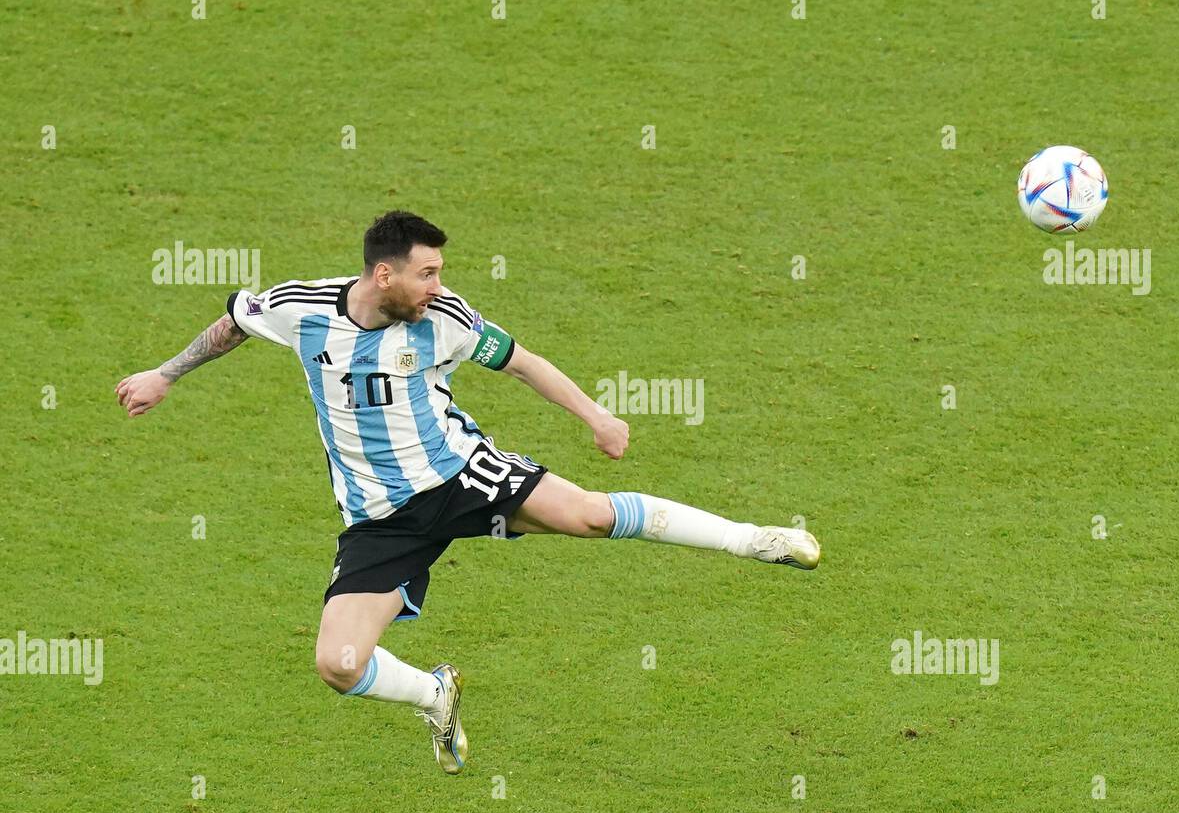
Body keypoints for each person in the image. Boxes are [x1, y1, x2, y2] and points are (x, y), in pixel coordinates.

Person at [116, 211, 820, 774]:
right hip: (379, 521)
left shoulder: (445, 319)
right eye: (425, 273)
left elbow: (522, 363)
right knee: (338, 665)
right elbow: (235, 323)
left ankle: (755, 540)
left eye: (440, 272)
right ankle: (435, 694)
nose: (437, 285)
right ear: (382, 273)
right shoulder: (304, 310)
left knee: (591, 515)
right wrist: (165, 374)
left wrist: (597, 416)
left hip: (459, 476)